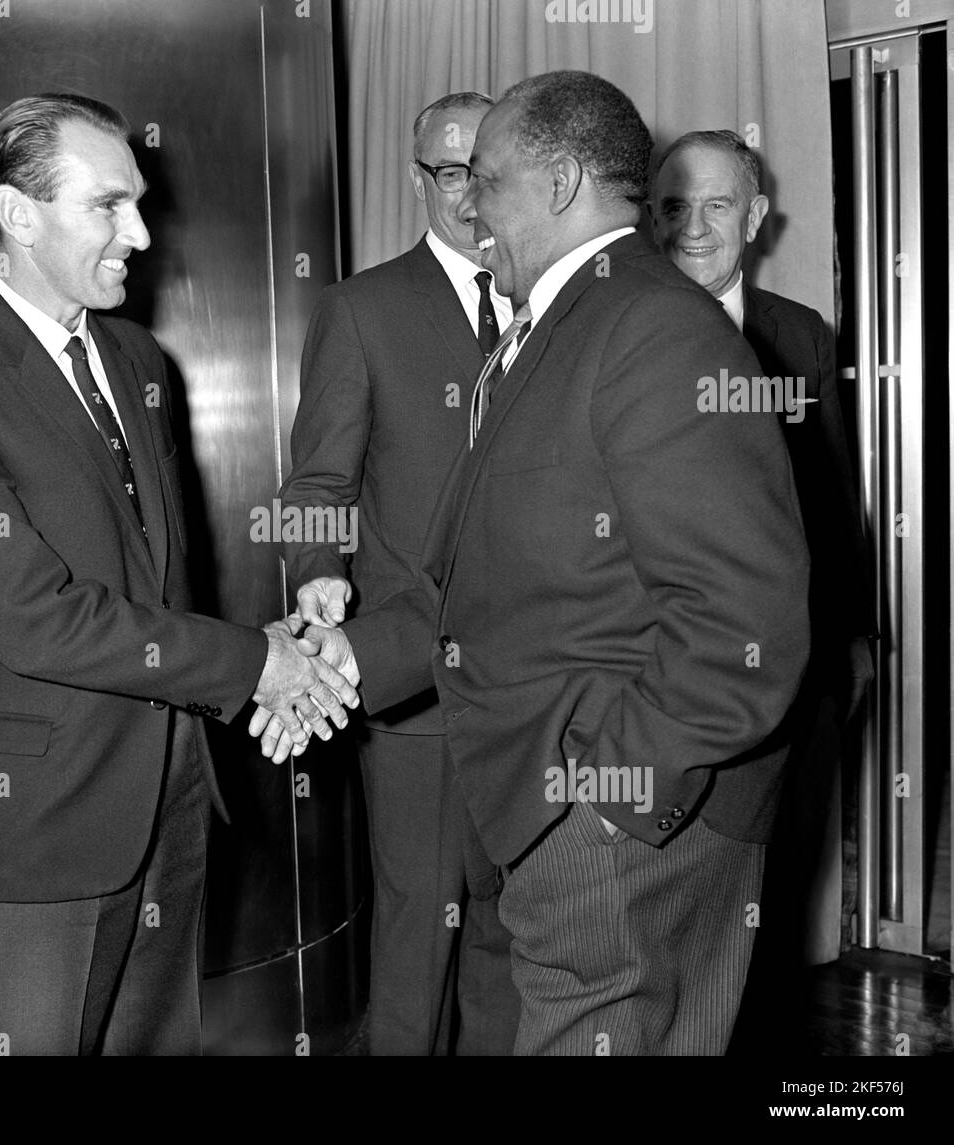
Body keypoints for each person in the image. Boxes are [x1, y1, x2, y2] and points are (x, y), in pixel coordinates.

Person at [258, 70, 811, 1055]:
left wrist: (606, 810)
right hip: (561, 809)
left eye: (490, 179)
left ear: (557, 184)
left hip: (622, 835)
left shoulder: (651, 328)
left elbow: (746, 625)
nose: (471, 206)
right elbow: (483, 577)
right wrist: (351, 654)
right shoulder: (559, 326)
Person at [0, 92, 358, 1057]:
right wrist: (255, 667)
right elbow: (35, 617)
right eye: (108, 205)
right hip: (33, 823)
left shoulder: (137, 358)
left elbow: (161, 582)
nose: (139, 230)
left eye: (138, 202)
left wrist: (268, 671)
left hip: (171, 803)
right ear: (16, 214)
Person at [278, 92, 520, 1056]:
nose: (470, 194)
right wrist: (316, 571)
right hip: (414, 684)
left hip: (536, 685)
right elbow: (318, 479)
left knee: (512, 928)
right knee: (421, 927)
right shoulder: (361, 308)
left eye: (487, 170)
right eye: (450, 172)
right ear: (420, 179)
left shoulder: (565, 302)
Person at [650, 129, 876, 1041]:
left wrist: (856, 635)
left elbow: (832, 496)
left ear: (755, 216)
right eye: (673, 206)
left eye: (715, 205)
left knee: (773, 900)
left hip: (792, 670)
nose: (693, 227)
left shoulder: (799, 337)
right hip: (665, 677)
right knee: (670, 910)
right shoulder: (618, 326)